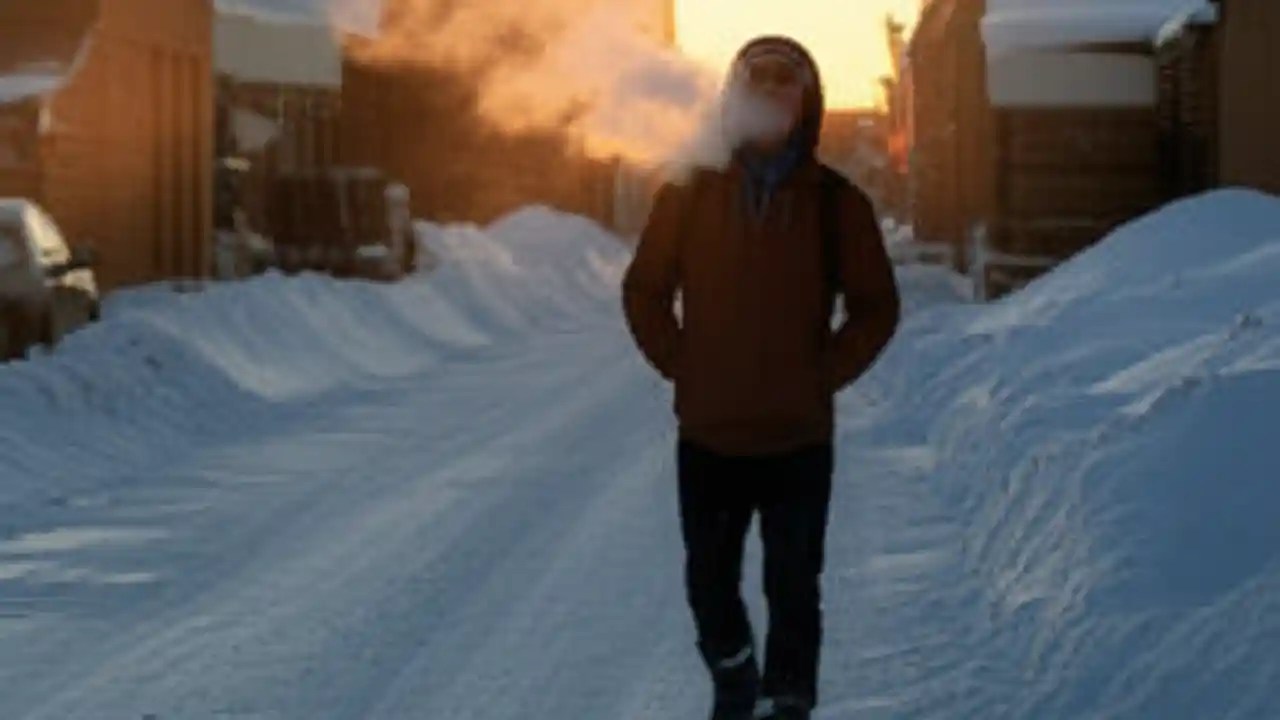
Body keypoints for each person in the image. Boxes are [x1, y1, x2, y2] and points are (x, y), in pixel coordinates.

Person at [621, 36, 901, 720]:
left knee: (794, 586)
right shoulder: (688, 193)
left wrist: (819, 375)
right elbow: (645, 291)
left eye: (786, 89)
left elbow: (877, 307)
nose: (772, 100)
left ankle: (788, 703)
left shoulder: (837, 204)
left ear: (806, 105)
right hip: (710, 437)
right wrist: (687, 367)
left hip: (797, 440)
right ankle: (735, 673)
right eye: (759, 87)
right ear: (733, 98)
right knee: (709, 585)